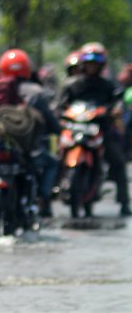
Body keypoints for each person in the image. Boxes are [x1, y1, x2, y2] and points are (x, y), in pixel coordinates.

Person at [56, 42, 130, 216]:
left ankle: (124, 202)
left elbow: (117, 101)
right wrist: (60, 115)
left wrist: (115, 110)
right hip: (75, 128)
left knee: (118, 161)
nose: (92, 67)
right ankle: (46, 199)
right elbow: (59, 105)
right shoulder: (71, 84)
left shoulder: (108, 85)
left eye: (95, 64)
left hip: (101, 129)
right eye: (89, 63)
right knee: (54, 160)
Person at [0, 48, 60, 218]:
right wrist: (57, 129)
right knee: (52, 163)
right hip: (27, 148)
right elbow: (50, 121)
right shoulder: (37, 91)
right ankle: (44, 198)